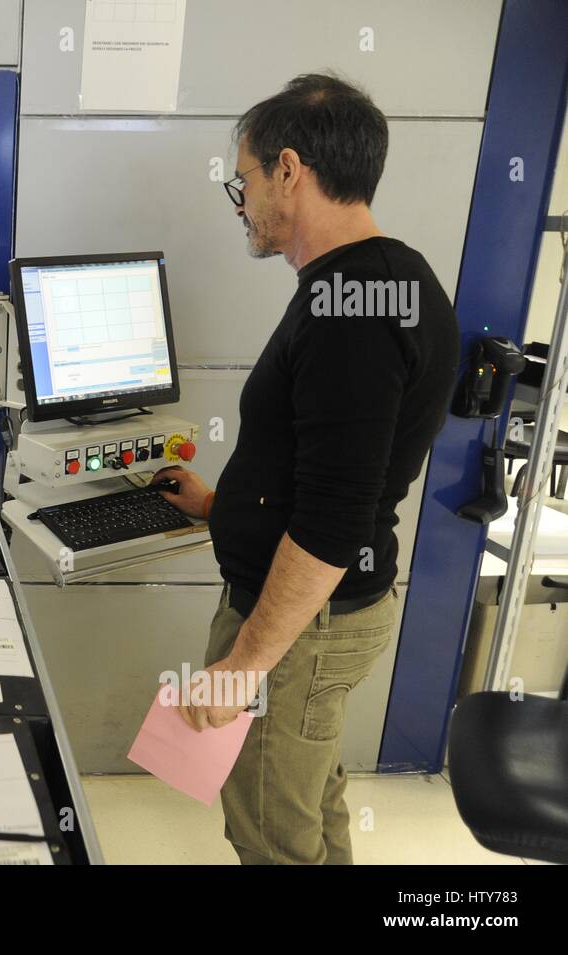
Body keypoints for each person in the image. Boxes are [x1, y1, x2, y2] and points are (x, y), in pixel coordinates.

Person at [153, 73, 460, 864]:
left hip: (298, 629)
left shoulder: (349, 311)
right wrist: (218, 505)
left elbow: (332, 517)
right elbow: (328, 467)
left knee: (270, 828)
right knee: (310, 793)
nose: (243, 204)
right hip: (325, 614)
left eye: (244, 181)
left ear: (289, 169)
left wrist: (242, 666)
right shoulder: (388, 277)